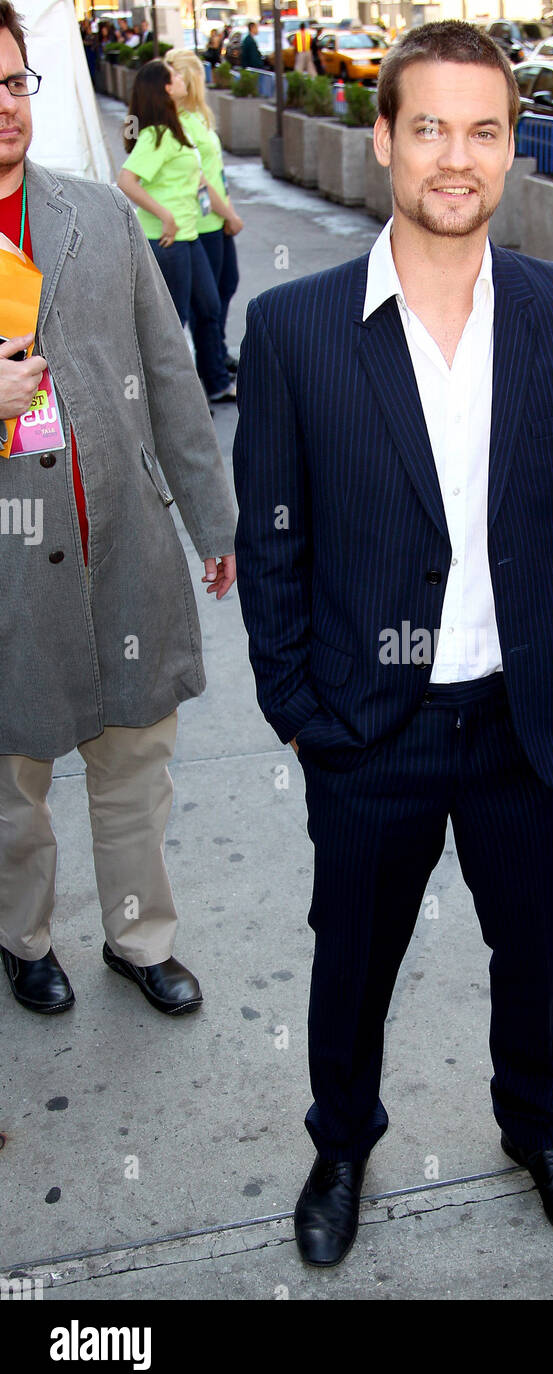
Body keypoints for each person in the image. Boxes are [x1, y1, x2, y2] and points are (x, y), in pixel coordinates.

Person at [233, 19, 553, 1268]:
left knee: (532, 959)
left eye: (482, 131)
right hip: (367, 729)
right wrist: (300, 704)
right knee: (349, 964)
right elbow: (272, 540)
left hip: (525, 720)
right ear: (383, 140)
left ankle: (538, 1134)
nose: (454, 158)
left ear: (511, 150)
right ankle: (340, 1144)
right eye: (428, 129)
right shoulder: (294, 330)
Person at [0, 2, 237, 1016]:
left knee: (137, 762)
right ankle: (22, 936)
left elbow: (171, 372)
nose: (5, 107)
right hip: (11, 569)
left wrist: (211, 516)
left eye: (14, 84)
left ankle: (139, 940)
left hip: (122, 546)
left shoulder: (99, 213)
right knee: (12, 790)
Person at [116, 60, 236, 404]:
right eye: (175, 75)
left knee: (209, 306)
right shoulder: (157, 134)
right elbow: (126, 180)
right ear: (166, 88)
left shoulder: (176, 128)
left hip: (188, 235)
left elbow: (195, 179)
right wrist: (164, 215)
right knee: (175, 322)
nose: (182, 78)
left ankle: (214, 383)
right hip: (167, 240)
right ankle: (175, 399)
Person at [166, 48, 243, 378]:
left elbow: (213, 172)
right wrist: (229, 214)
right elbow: (200, 180)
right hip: (204, 219)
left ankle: (217, 353)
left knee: (226, 285)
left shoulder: (198, 116)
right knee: (206, 303)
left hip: (216, 215)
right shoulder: (180, 122)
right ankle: (212, 366)